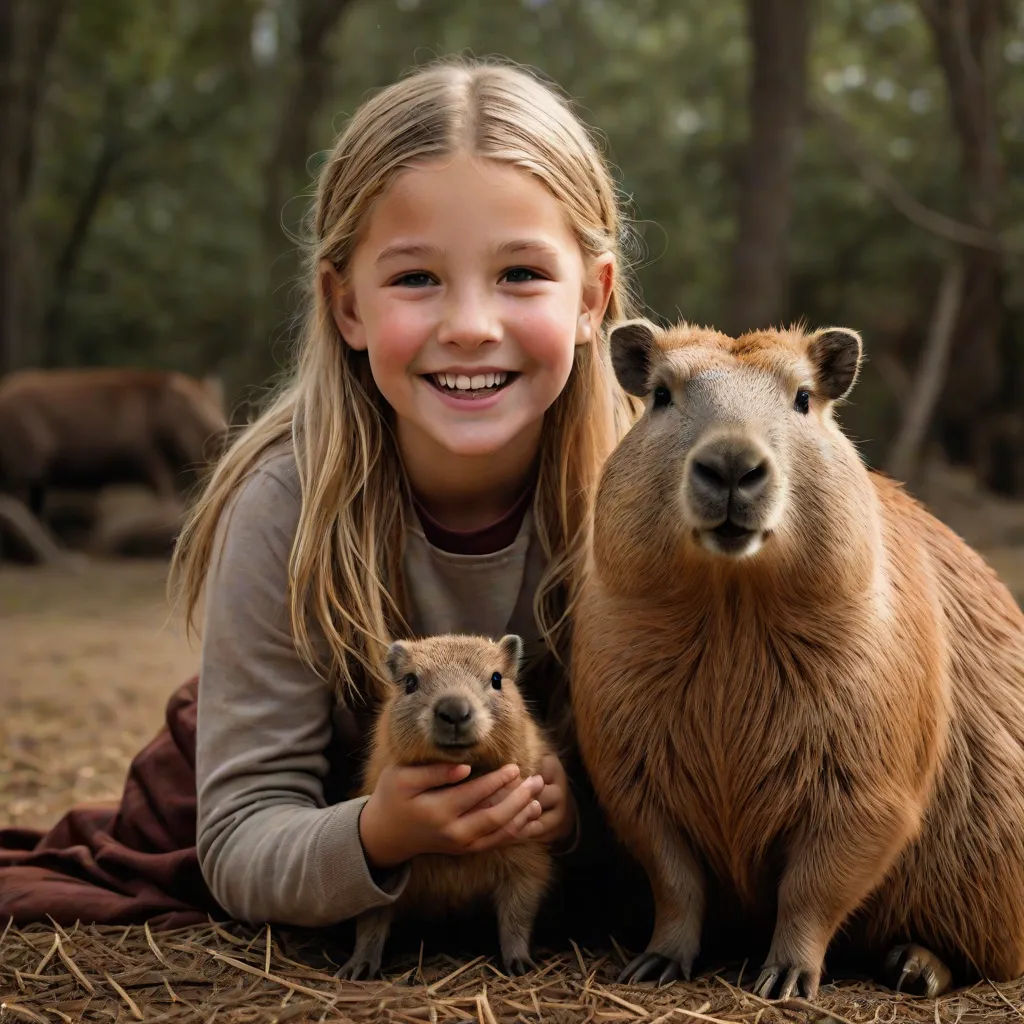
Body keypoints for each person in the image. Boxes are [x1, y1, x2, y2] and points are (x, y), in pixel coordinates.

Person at [0, 56, 646, 942]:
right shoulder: (286, 507)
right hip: (327, 810)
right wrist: (379, 833)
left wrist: (578, 821)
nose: (468, 323)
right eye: (415, 279)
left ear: (593, 298)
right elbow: (238, 836)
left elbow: (717, 781)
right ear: (345, 306)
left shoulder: (647, 497)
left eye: (522, 274)